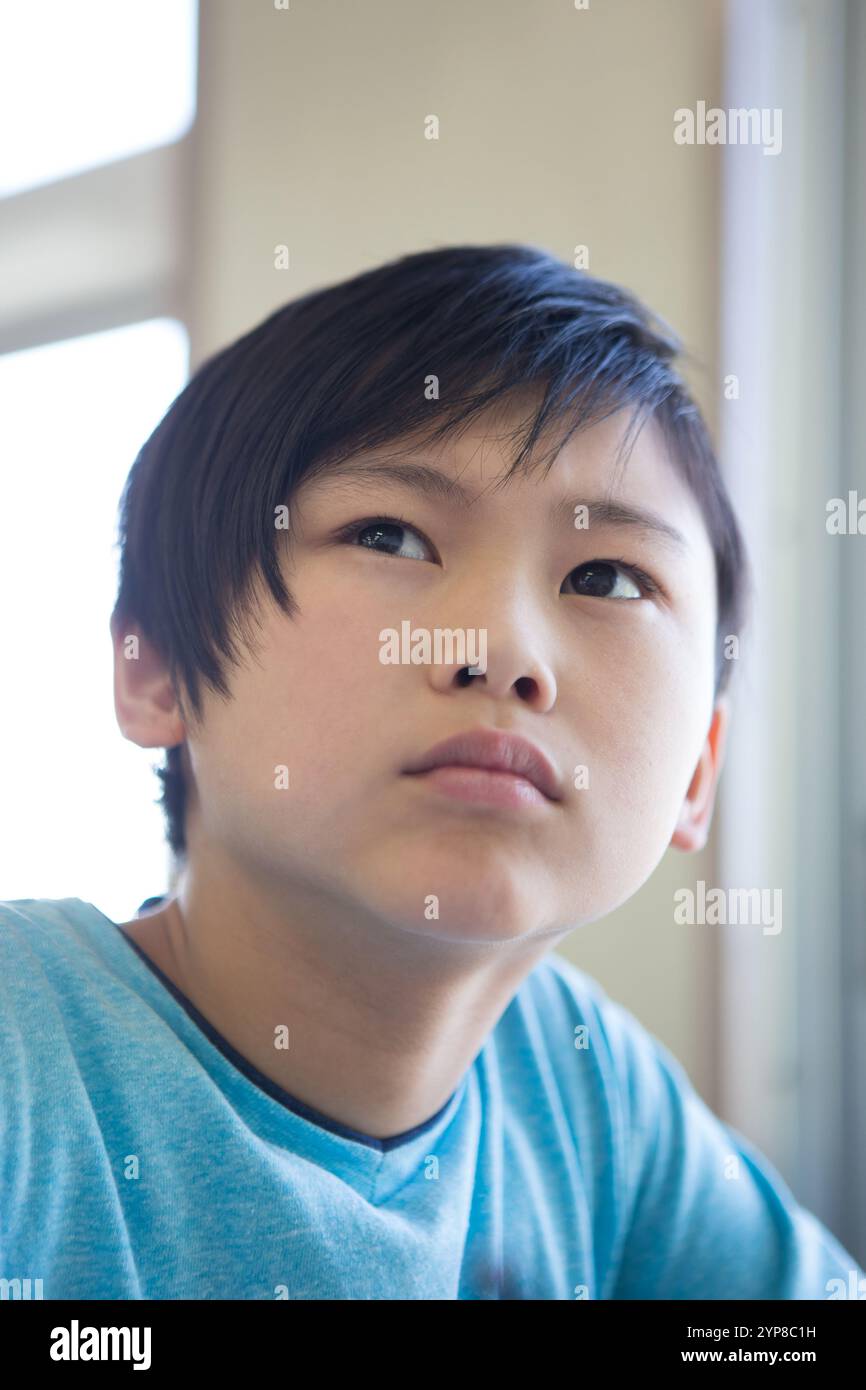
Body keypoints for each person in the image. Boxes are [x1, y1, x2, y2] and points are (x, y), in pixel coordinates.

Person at [1, 244, 862, 1299]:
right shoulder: (23, 1058)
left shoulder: (584, 1087)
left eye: (604, 575)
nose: (501, 652)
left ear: (698, 768)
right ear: (157, 670)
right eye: (391, 536)